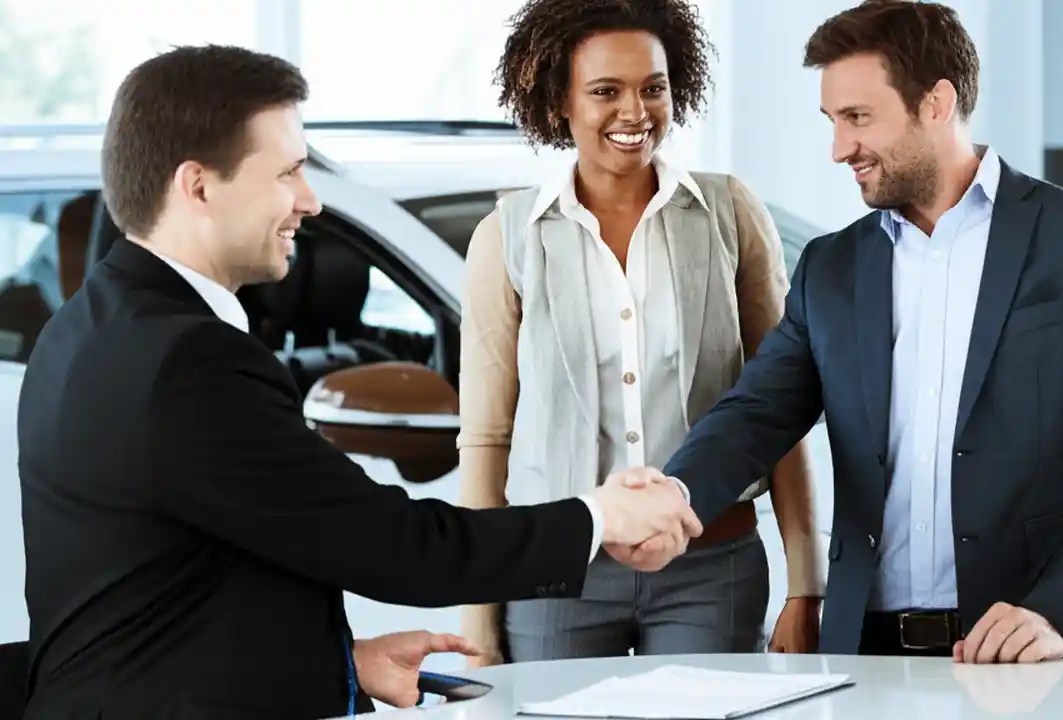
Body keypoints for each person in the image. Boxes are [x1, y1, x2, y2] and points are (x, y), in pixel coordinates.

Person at [16, 45, 700, 719]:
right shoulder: (186, 362)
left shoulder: (82, 328)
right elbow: (392, 546)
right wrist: (599, 516)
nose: (308, 202)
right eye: (287, 172)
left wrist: (342, 660)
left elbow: (176, 592)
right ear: (198, 185)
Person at [644, 0, 1063, 663]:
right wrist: (672, 494)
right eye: (833, 121)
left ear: (936, 103)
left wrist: (1058, 608)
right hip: (866, 656)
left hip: (1028, 653)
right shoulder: (831, 267)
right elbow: (756, 414)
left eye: (858, 118)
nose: (841, 148)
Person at [458, 0, 824, 666]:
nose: (635, 112)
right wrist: (478, 624)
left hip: (713, 568)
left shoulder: (729, 213)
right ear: (558, 100)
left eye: (652, 88)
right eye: (605, 91)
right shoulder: (506, 237)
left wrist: (807, 585)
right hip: (556, 574)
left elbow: (781, 406)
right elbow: (487, 436)